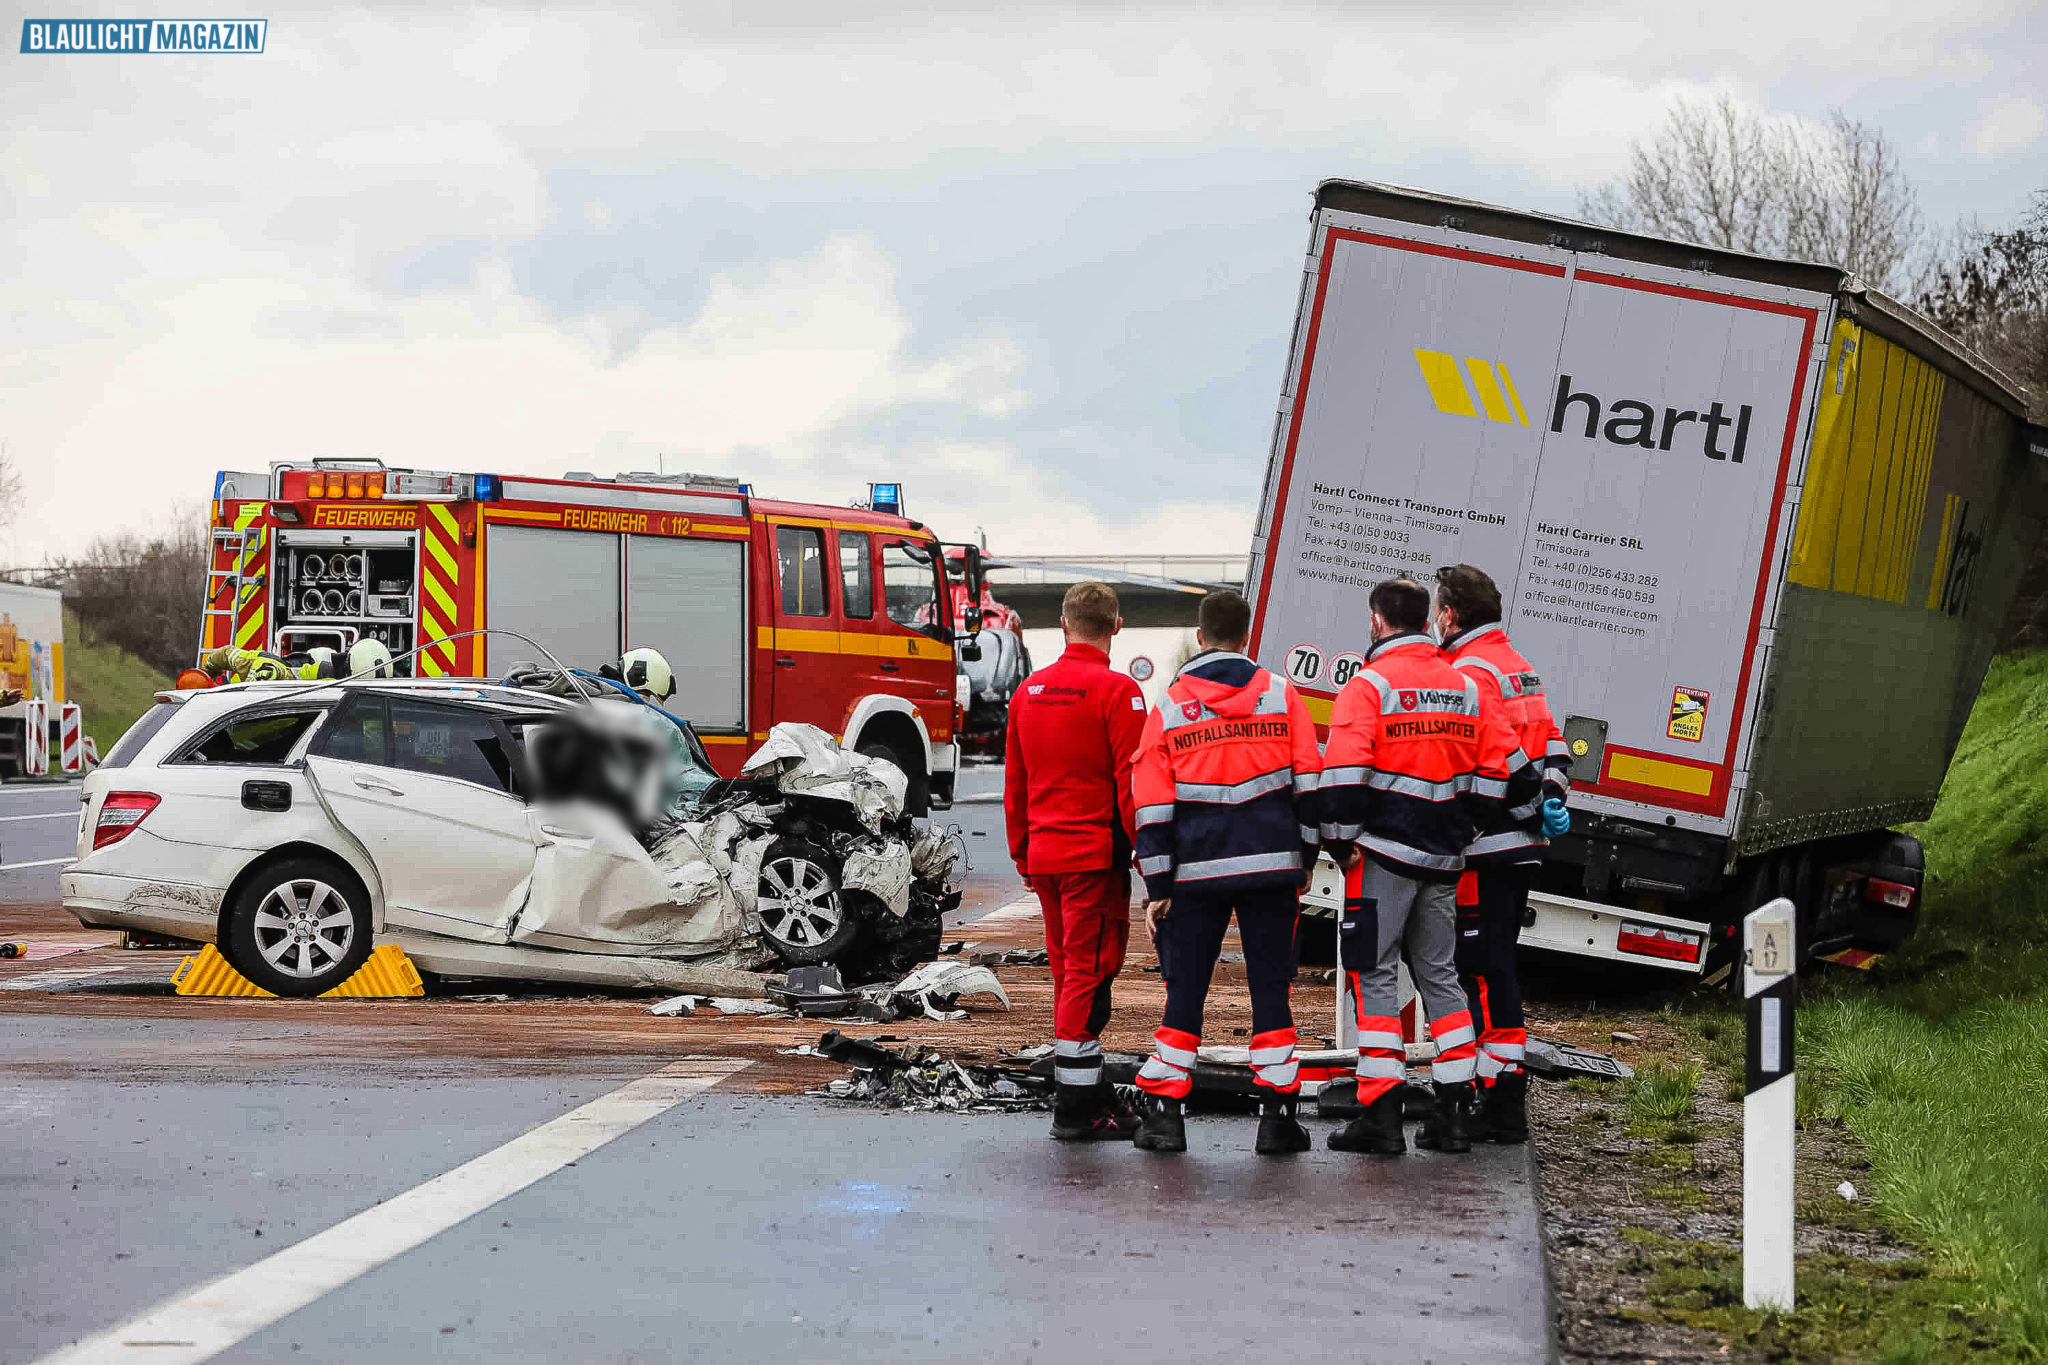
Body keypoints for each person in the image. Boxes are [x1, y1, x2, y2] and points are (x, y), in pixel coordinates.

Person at [1319, 577, 1536, 1156]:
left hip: (1382, 857)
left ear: (1376, 621)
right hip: (1445, 860)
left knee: (1375, 975)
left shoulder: (1368, 687)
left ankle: (1381, 1113)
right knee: (1442, 978)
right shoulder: (1465, 683)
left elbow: (1341, 779)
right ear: (1428, 619)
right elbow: (1503, 770)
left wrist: (1341, 845)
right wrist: (1464, 829)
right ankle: (1453, 1113)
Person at [1128, 589, 1324, 1156]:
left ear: (1200, 632)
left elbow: (1153, 804)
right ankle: (1278, 1119)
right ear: (1246, 635)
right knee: (1272, 990)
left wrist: (1158, 888)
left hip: (1195, 875)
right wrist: (1305, 860)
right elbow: (1310, 786)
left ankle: (1166, 1116)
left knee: (1184, 990)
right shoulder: (1283, 697)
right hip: (1271, 870)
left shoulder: (1169, 707)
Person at [1004, 582, 1149, 1141]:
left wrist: (1022, 851)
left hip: (1045, 855)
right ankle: (1076, 1106)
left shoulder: (1028, 692)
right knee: (1089, 974)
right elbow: (1131, 786)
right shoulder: (1118, 692)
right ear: (1116, 627)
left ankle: (1086, 1089)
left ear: (1063, 624)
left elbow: (1015, 783)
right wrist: (1149, 856)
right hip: (1094, 859)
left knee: (1070, 972)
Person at [1435, 565, 1571, 1144]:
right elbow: (1554, 746)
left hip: (1485, 848)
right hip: (1522, 849)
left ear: (1448, 615)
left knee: (1481, 971)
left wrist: (1525, 808)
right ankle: (1501, 1089)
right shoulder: (1516, 664)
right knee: (1498, 968)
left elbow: (1494, 761)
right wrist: (1553, 802)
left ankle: (1501, 1098)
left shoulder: (1468, 671)